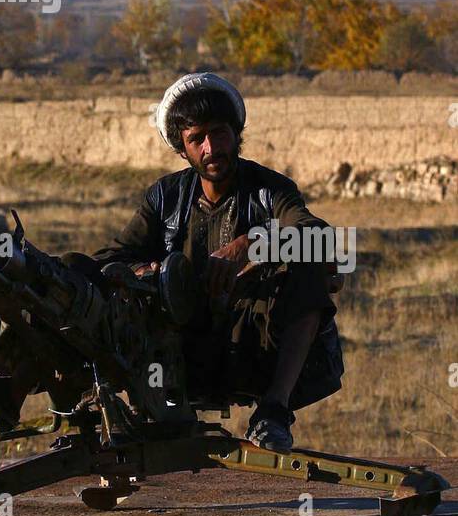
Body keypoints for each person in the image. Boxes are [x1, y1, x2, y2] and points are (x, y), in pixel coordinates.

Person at [90, 73, 344, 452]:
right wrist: (151, 272)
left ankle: (273, 411)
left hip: (254, 346)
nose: (211, 148)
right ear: (182, 149)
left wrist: (254, 244)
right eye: (197, 139)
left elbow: (325, 240)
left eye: (219, 133)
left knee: (307, 264)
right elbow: (109, 261)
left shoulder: (270, 190)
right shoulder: (164, 197)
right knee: (76, 275)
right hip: (180, 352)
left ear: (236, 133)